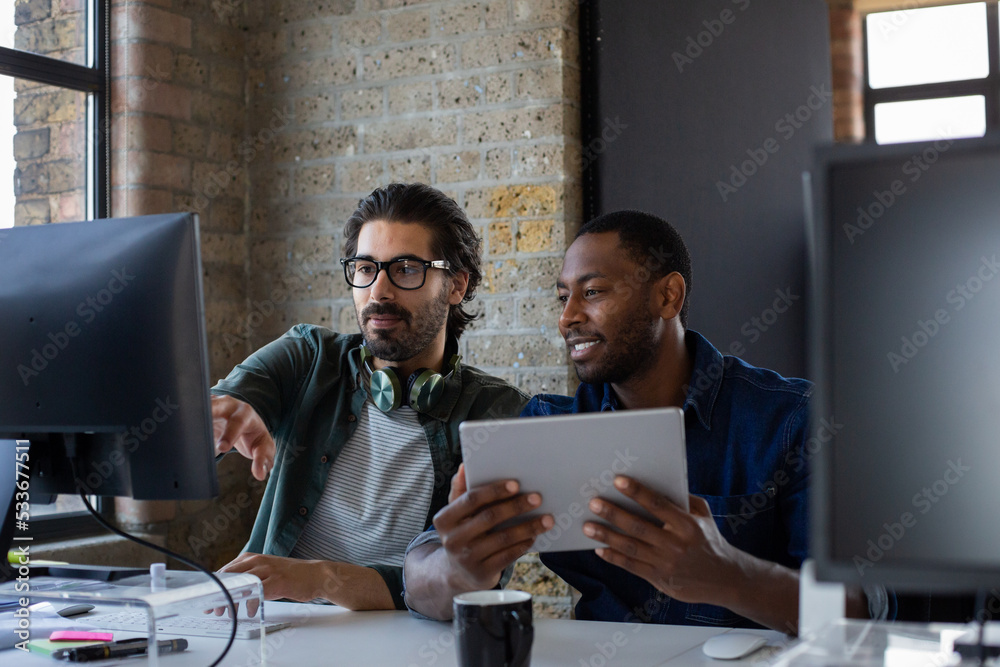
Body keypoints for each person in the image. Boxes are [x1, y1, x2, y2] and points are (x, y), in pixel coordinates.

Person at [403, 210, 864, 631]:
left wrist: (727, 575)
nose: (568, 317)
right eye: (563, 297)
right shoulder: (548, 428)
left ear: (668, 296)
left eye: (594, 291)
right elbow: (421, 576)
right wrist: (457, 570)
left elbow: (860, 608)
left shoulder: (792, 419)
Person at [210, 183, 528, 612]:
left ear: (455, 285)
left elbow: (471, 584)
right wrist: (221, 413)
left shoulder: (498, 413)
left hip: (409, 644)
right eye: (364, 268)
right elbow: (226, 403)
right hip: (274, 630)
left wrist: (321, 579)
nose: (378, 292)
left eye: (406, 269)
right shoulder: (309, 357)